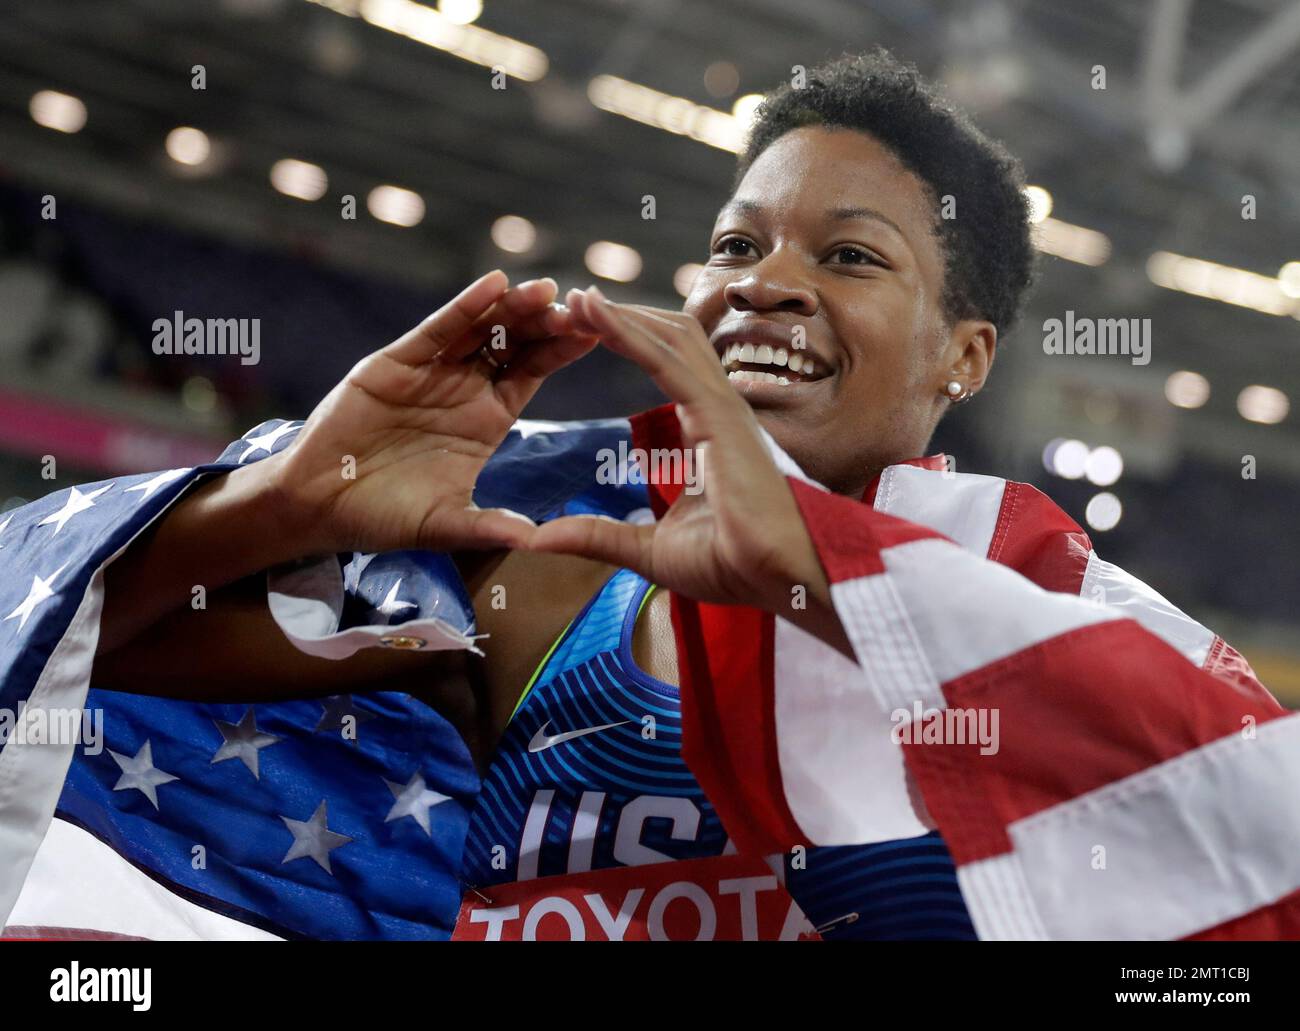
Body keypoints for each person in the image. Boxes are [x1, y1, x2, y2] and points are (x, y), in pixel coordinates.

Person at [3, 51, 1292, 941]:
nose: (763, 284)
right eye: (737, 244)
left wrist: (811, 581)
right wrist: (298, 502)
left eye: (848, 255)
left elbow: (1236, 882)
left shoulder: (1041, 622)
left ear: (965, 353)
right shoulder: (546, 559)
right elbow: (63, 669)